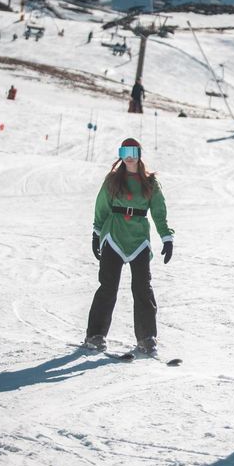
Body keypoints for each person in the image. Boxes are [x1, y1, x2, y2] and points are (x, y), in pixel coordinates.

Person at [84, 138, 175, 356]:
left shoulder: (150, 182)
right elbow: (102, 206)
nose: (129, 156)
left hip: (139, 239)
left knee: (143, 287)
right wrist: (97, 234)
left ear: (139, 154)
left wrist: (166, 237)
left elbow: (159, 212)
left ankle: (147, 338)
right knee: (108, 287)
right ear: (121, 154)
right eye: (124, 151)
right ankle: (95, 335)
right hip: (113, 235)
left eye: (133, 151)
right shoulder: (114, 180)